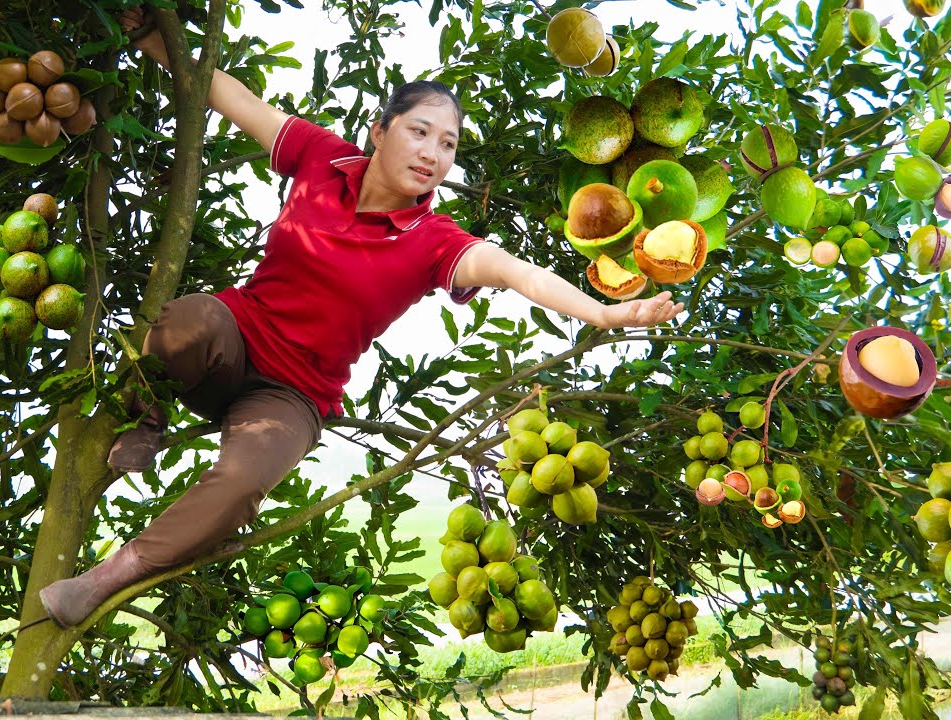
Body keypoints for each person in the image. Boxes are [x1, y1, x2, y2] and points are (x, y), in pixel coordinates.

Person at [38, 9, 683, 628]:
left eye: (449, 144)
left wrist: (604, 312)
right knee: (188, 318)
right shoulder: (321, 158)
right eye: (420, 131)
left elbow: (518, 272)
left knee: (241, 485)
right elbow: (232, 98)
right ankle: (145, 413)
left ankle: (107, 576)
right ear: (380, 132)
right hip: (233, 337)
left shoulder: (434, 240)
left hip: (292, 393)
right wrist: (155, 36)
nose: (434, 152)